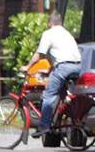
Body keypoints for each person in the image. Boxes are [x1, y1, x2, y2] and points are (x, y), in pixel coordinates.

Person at [24, 11, 83, 140]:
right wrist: (50, 69)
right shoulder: (67, 34)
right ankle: (62, 117)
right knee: (61, 93)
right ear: (60, 22)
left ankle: (44, 126)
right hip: (78, 66)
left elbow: (40, 54)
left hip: (63, 68)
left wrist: (27, 67)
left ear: (50, 23)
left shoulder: (48, 34)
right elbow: (59, 54)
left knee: (48, 95)